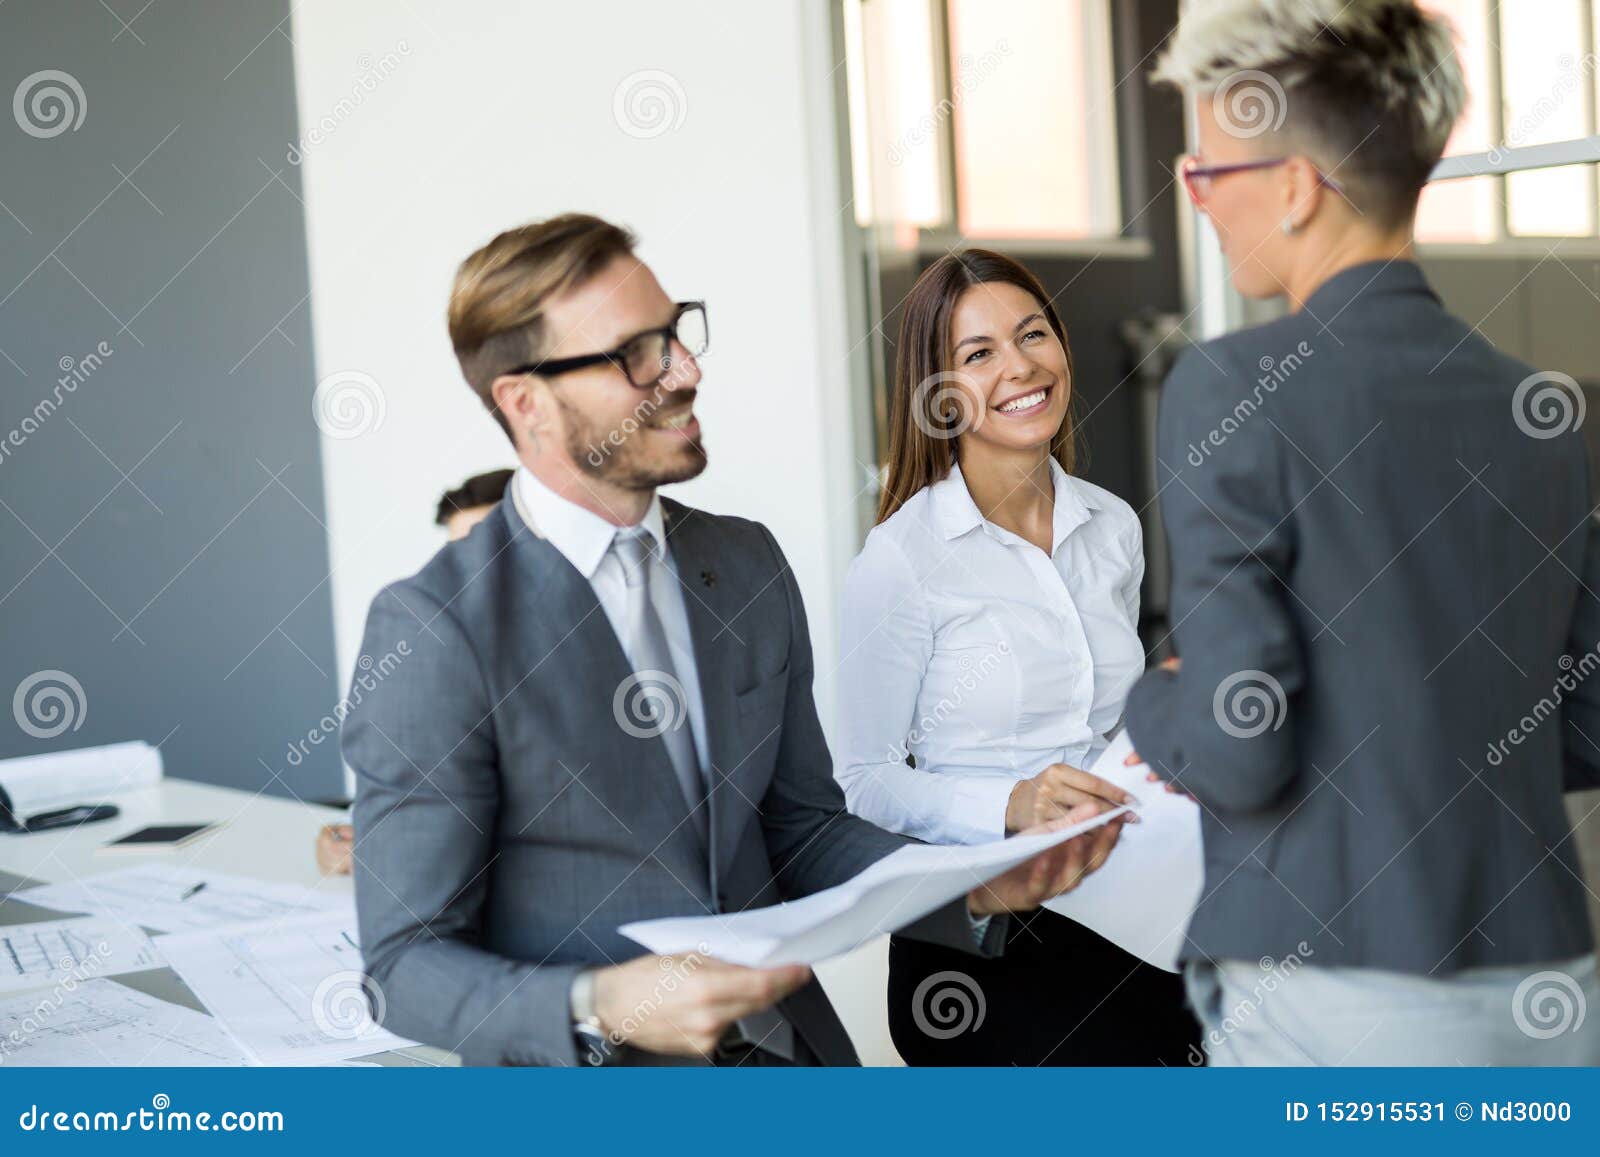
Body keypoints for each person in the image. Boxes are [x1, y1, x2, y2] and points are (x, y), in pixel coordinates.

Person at [342, 213, 1112, 1067]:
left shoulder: (744, 565)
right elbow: (402, 966)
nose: (686, 370)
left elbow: (803, 830)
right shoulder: (435, 630)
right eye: (636, 354)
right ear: (525, 401)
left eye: (676, 333)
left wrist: (971, 886)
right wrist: (597, 1001)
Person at [1124, 0, 1600, 1065]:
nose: (1195, 201)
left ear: (1293, 188)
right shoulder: (1540, 407)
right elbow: (1590, 717)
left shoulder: (1232, 386)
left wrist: (1155, 694)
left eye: (1205, 174)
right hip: (1548, 976)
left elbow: (1239, 751)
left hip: (1334, 982)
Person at [836, 249, 1200, 1065]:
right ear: (937, 391)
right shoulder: (901, 560)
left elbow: (1108, 725)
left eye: (1033, 333)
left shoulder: (1112, 524)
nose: (1020, 365)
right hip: (989, 946)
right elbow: (862, 782)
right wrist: (1013, 800)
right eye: (979, 353)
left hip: (1138, 914)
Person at [315, 469, 518, 877]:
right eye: (456, 553)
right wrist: (361, 838)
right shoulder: (436, 658)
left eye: (484, 547)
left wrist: (387, 856)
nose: (468, 571)